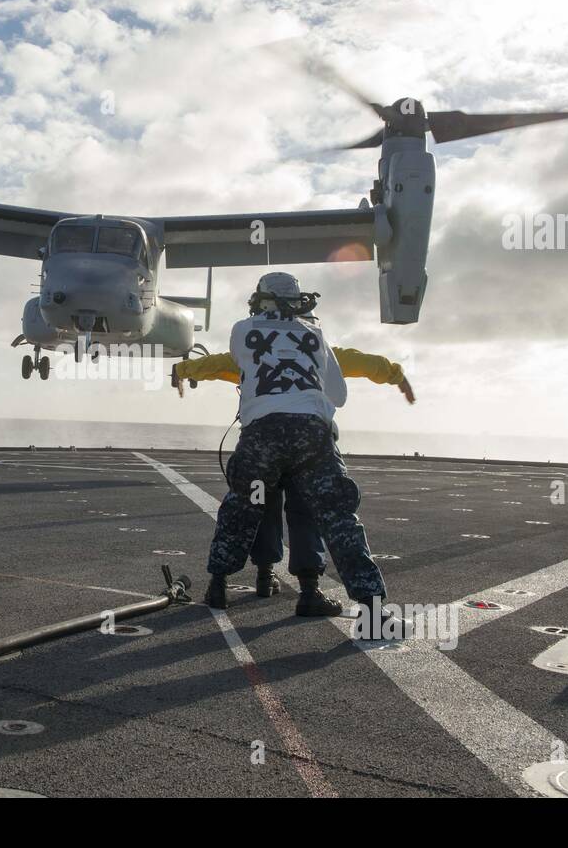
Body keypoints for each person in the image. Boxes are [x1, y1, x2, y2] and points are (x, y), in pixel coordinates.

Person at [185, 272, 404, 636]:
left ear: (259, 299)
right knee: (335, 516)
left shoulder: (241, 330)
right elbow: (338, 395)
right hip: (311, 439)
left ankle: (218, 586)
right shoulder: (315, 335)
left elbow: (242, 366)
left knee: (244, 504)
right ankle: (369, 610)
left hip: (261, 437)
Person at [172, 341, 414, 612]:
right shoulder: (320, 351)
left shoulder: (254, 351)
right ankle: (310, 591)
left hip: (261, 449)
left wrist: (183, 369)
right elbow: (366, 362)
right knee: (304, 514)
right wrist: (396, 375)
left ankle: (228, 583)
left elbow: (215, 364)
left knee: (255, 507)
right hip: (307, 449)